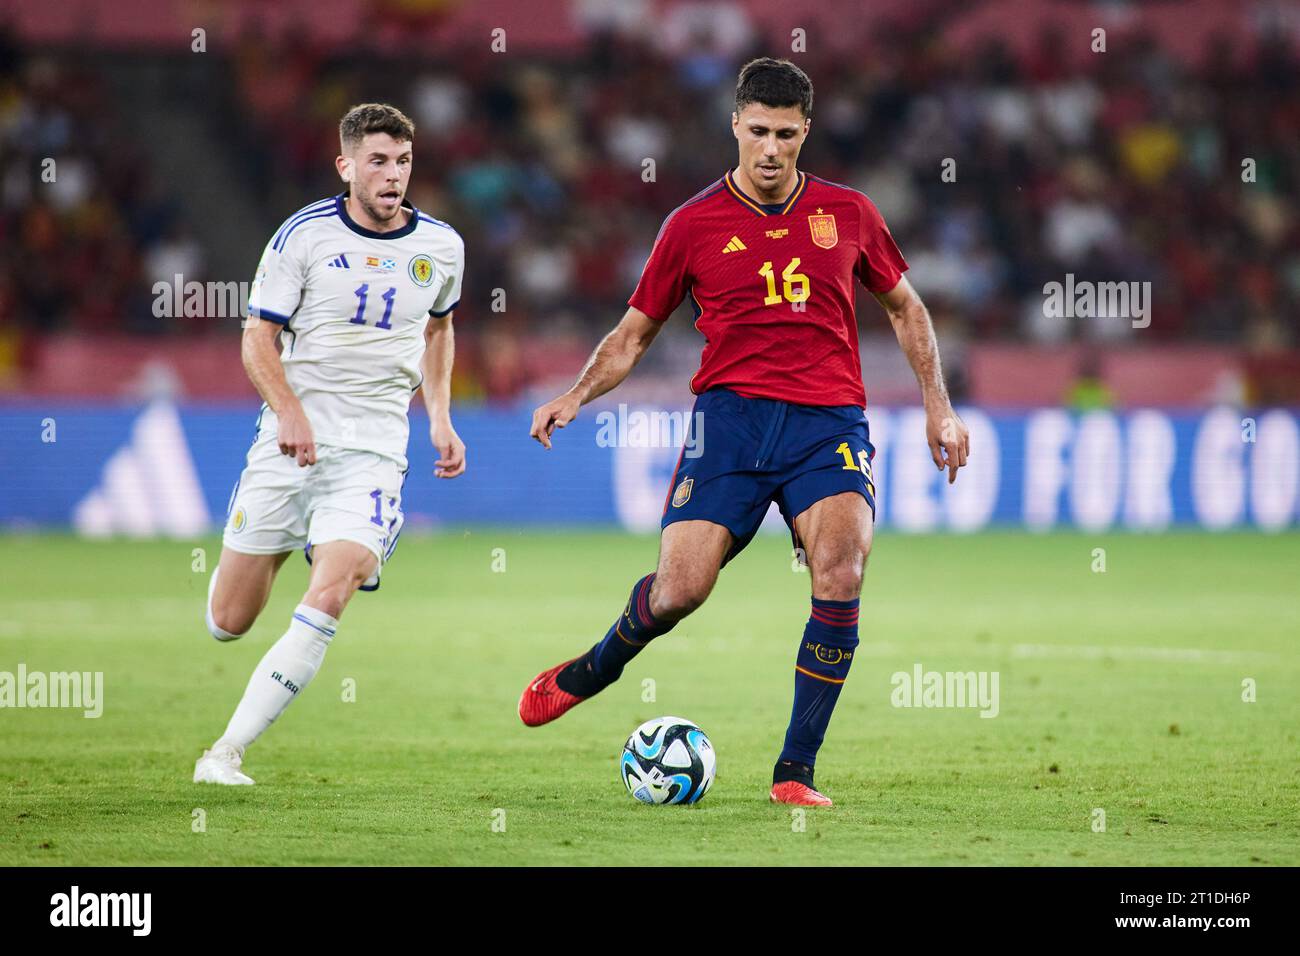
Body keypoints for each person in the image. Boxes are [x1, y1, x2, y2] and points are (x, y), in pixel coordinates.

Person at [518, 59, 969, 806]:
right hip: (729, 422)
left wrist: (939, 406)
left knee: (842, 574)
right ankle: (592, 670)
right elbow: (633, 335)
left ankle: (795, 771)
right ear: (735, 125)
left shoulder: (850, 213)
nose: (770, 149)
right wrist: (576, 394)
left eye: (785, 135)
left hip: (827, 423)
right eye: (757, 131)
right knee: (678, 592)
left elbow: (907, 309)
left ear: (805, 133)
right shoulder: (691, 225)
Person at [194, 103, 466, 785]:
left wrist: (439, 417)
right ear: (345, 166)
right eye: (377, 160)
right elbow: (258, 335)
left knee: (334, 587)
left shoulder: (441, 248)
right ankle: (307, 541)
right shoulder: (303, 236)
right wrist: (286, 410)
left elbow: (438, 330)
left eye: (403, 161)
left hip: (374, 451)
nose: (393, 174)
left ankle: (224, 752)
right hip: (290, 446)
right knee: (228, 621)